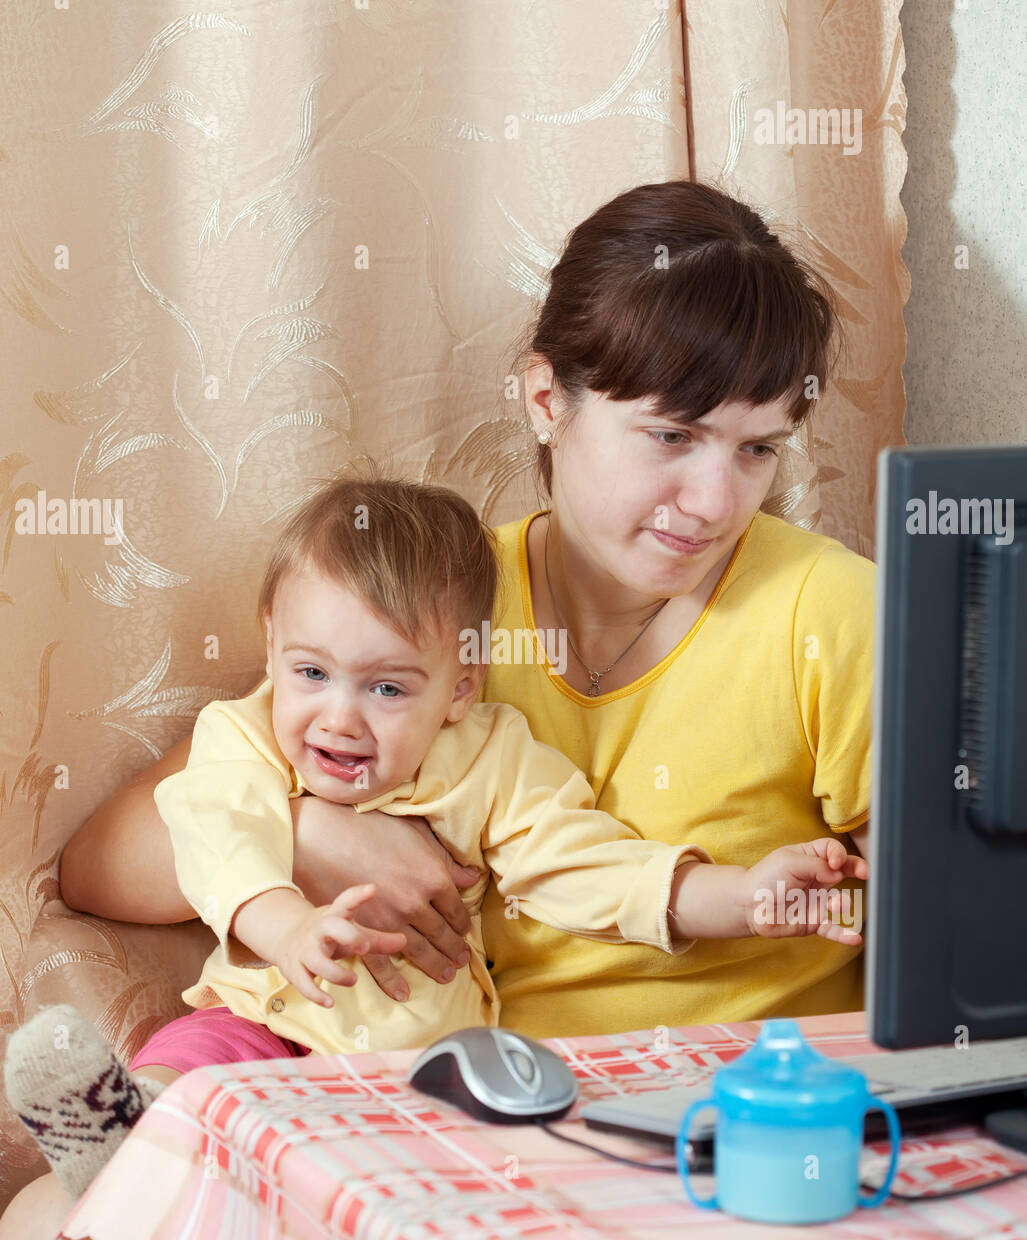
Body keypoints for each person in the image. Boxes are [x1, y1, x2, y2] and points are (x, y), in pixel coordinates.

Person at [0, 179, 875, 1240]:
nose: (712, 498)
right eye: (672, 434)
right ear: (545, 398)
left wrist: (783, 895)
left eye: (757, 450)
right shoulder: (428, 597)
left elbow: (954, 936)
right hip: (435, 1109)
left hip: (703, 1131)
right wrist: (319, 830)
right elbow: (102, 866)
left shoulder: (831, 614)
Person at [5, 473, 863, 1201]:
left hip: (409, 1070)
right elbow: (217, 827)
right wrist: (285, 927)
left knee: (445, 1151)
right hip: (263, 1020)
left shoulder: (490, 759)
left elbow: (586, 866)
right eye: (310, 673)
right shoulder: (250, 732)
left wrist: (745, 897)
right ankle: (123, 1125)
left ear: (460, 686)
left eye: (387, 688)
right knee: (191, 1060)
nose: (338, 718)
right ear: (272, 649)